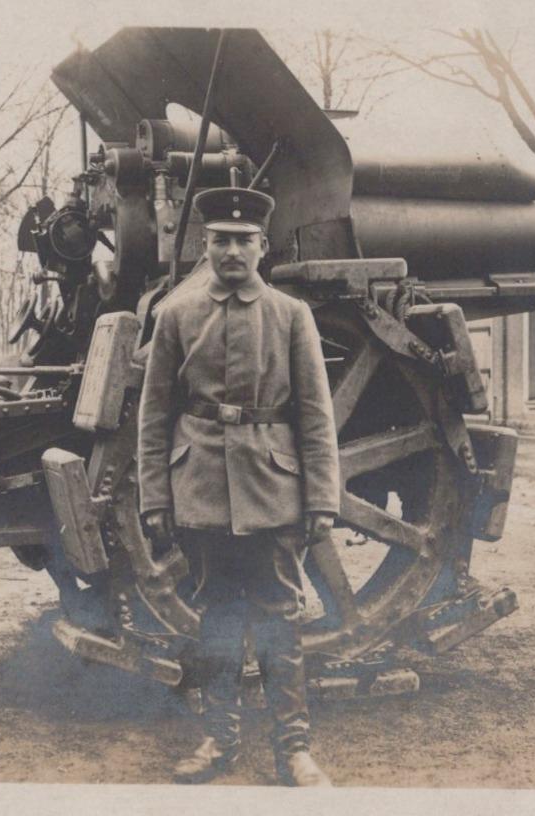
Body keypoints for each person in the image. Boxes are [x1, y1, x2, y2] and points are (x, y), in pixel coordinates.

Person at [137, 186, 340, 786]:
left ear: (263, 246)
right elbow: (155, 415)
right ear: (205, 245)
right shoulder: (176, 314)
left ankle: (294, 750)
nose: (231, 251)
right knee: (216, 622)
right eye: (220, 240)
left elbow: (316, 414)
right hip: (198, 488)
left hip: (272, 490)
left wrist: (323, 498)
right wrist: (155, 496)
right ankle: (218, 740)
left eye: (243, 241)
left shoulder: (290, 315)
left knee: (281, 620)